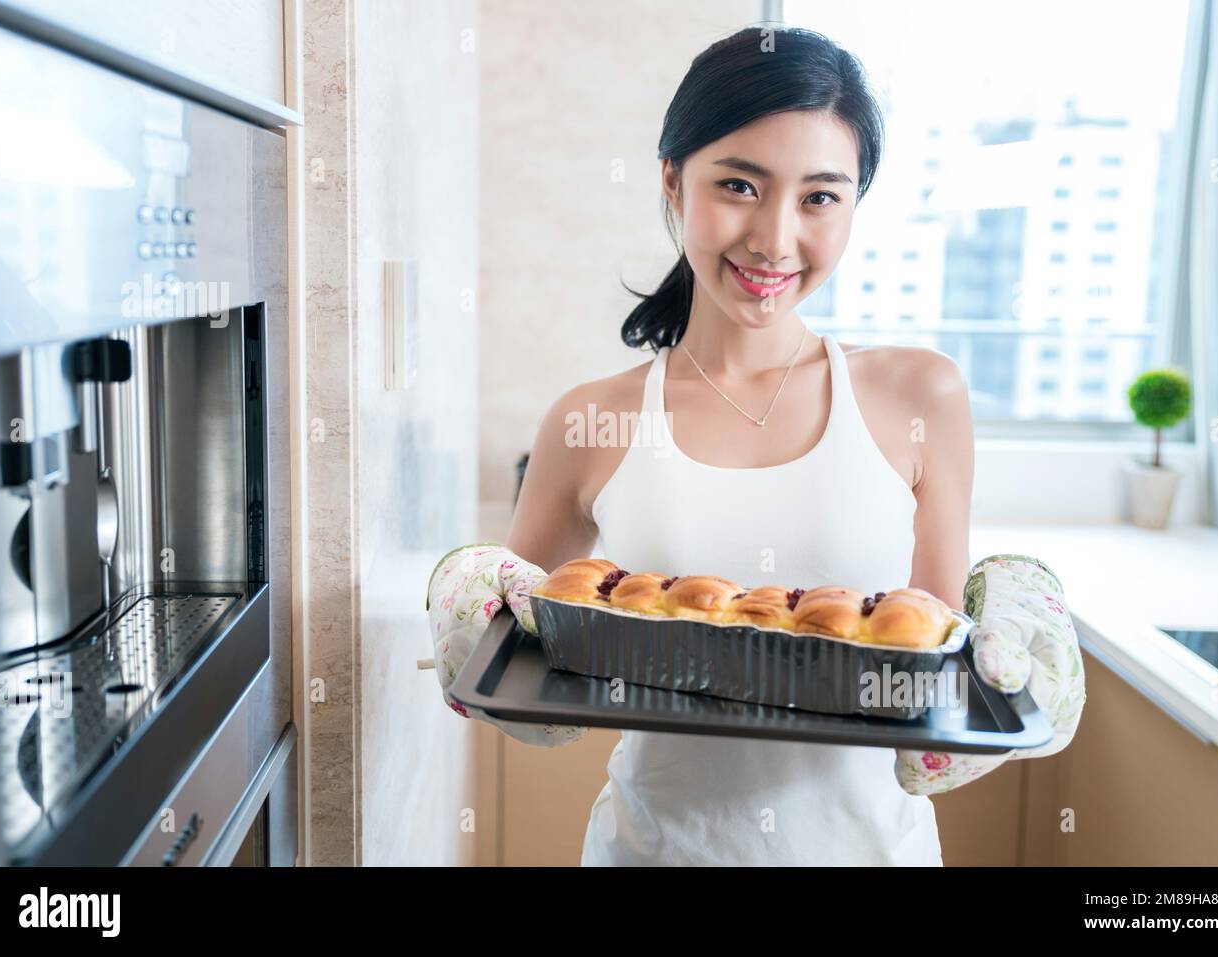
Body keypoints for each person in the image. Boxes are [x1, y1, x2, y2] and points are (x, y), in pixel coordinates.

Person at [426, 24, 1085, 866]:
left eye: (819, 197)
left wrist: (1015, 664)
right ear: (672, 181)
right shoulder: (590, 422)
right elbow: (527, 675)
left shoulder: (922, 396)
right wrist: (470, 613)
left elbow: (935, 686)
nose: (775, 239)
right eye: (739, 184)